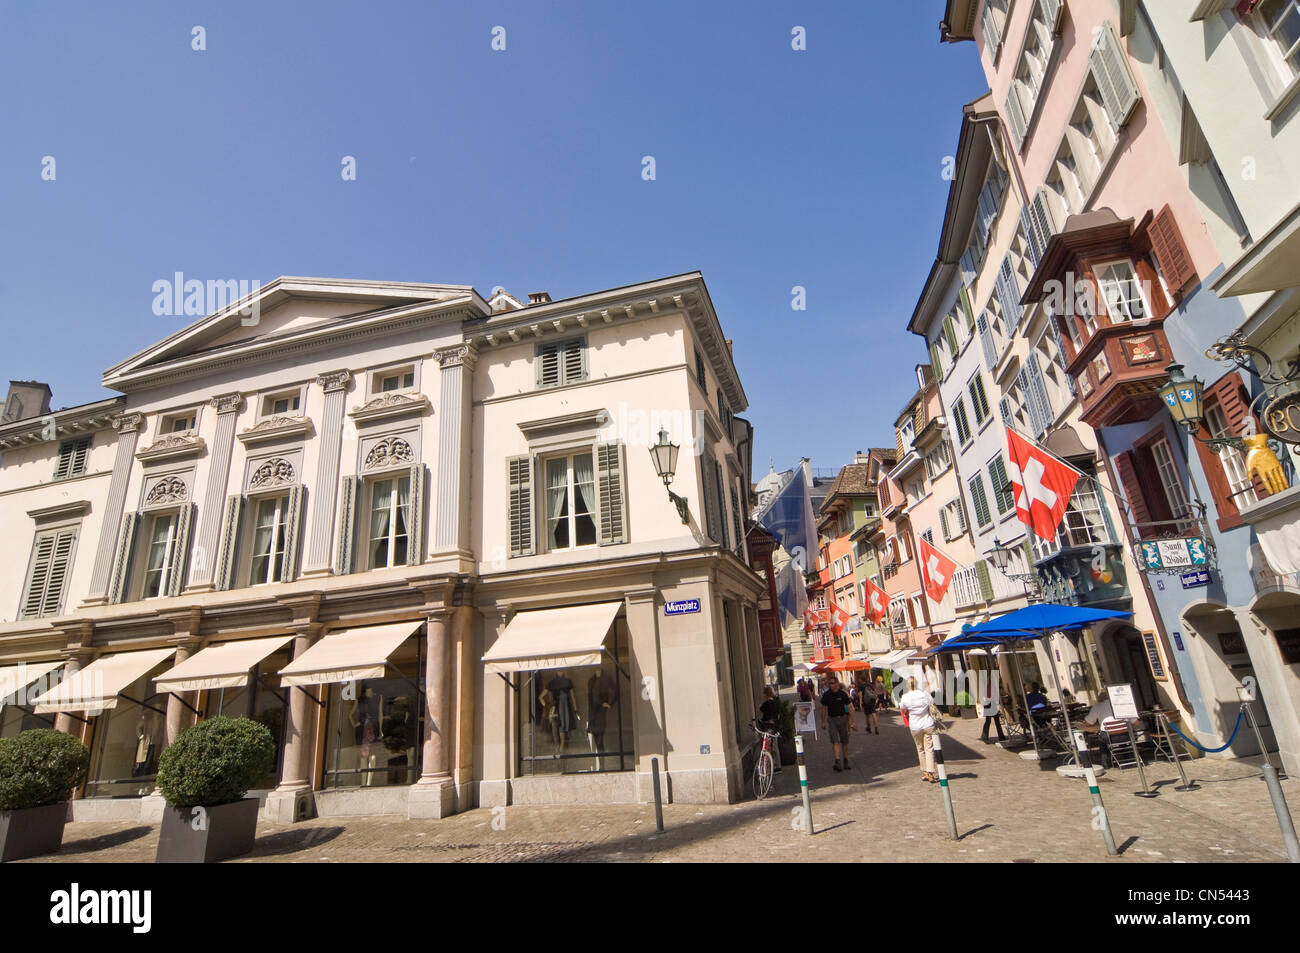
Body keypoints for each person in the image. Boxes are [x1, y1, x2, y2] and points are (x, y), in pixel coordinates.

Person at [899, 677, 940, 783]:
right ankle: (931, 773)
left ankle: (925, 772)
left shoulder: (905, 697)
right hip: (927, 723)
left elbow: (903, 710)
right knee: (929, 749)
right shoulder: (924, 694)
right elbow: (933, 703)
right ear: (917, 684)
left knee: (920, 748)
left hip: (915, 725)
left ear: (908, 685)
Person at [819, 676, 854, 771]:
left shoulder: (842, 694)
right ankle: (837, 761)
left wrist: (852, 721)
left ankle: (846, 760)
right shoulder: (827, 695)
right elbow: (823, 708)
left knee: (844, 741)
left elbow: (850, 707)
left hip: (843, 719)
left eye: (832, 683)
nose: (831, 685)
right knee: (835, 740)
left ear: (837, 683)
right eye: (829, 683)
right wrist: (823, 721)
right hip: (832, 720)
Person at [758, 686, 783, 771]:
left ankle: (770, 765)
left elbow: (761, 710)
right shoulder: (776, 703)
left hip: (768, 727)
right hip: (775, 727)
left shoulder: (766, 704)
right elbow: (779, 715)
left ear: (765, 694)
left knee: (767, 746)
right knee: (775, 746)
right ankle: (777, 765)